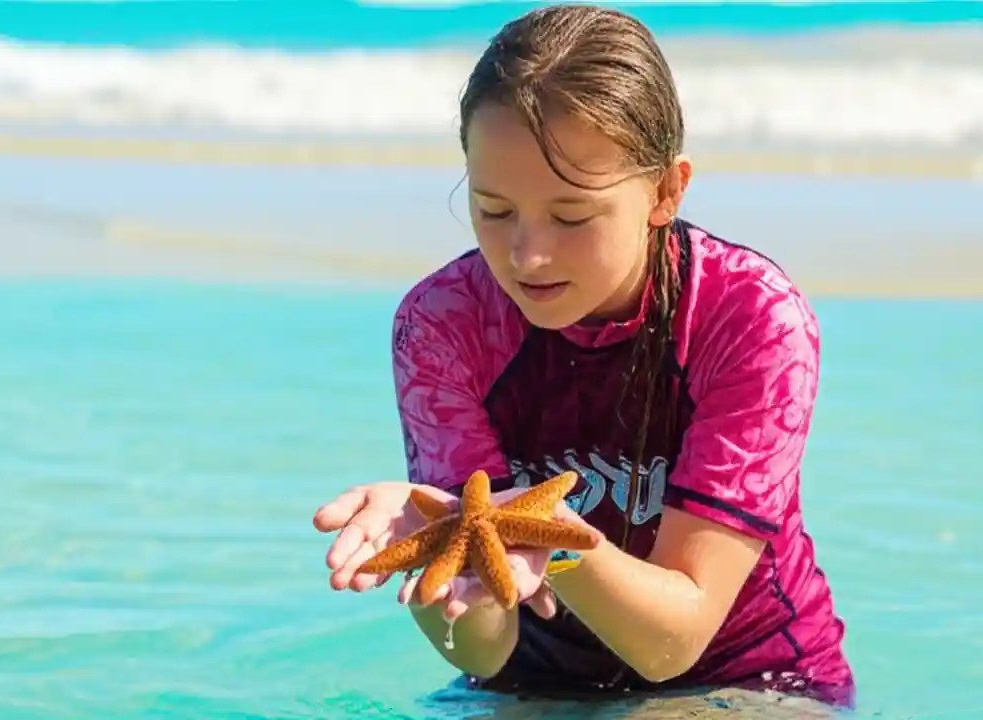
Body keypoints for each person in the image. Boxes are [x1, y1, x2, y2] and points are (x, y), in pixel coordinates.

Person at [312, 3, 855, 710]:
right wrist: (436, 559)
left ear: (666, 190)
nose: (526, 256)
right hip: (529, 684)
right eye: (493, 209)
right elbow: (480, 648)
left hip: (743, 681)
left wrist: (556, 543)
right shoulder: (443, 322)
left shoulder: (748, 317)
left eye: (571, 216)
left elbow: (674, 643)